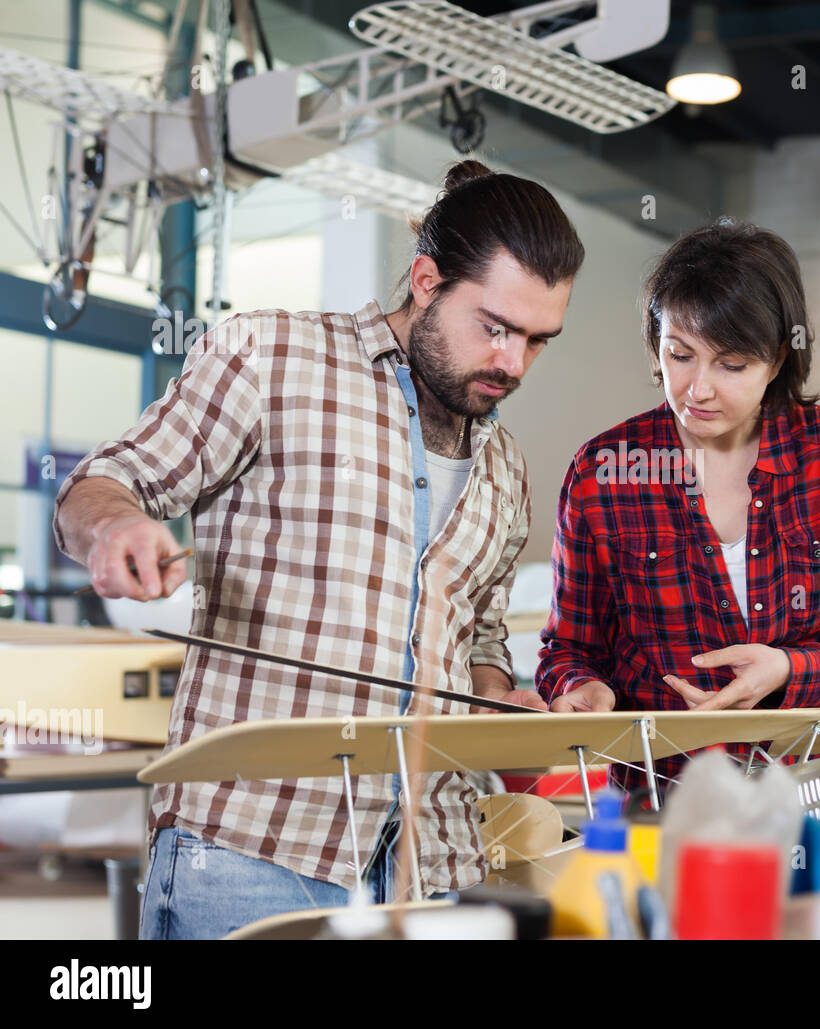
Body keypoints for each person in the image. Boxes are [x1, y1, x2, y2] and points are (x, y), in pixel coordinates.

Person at [53, 159, 581, 938]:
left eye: (538, 340)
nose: (513, 362)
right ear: (427, 282)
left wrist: (503, 704)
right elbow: (102, 483)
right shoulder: (270, 356)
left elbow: (479, 641)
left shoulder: (506, 466)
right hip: (254, 851)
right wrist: (114, 527)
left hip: (433, 862)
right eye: (495, 328)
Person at [534, 219, 820, 788]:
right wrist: (580, 687)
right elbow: (567, 648)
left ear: (777, 360)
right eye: (679, 355)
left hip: (810, 796)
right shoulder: (604, 472)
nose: (698, 389)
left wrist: (786, 669)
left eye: (731, 365)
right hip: (660, 798)